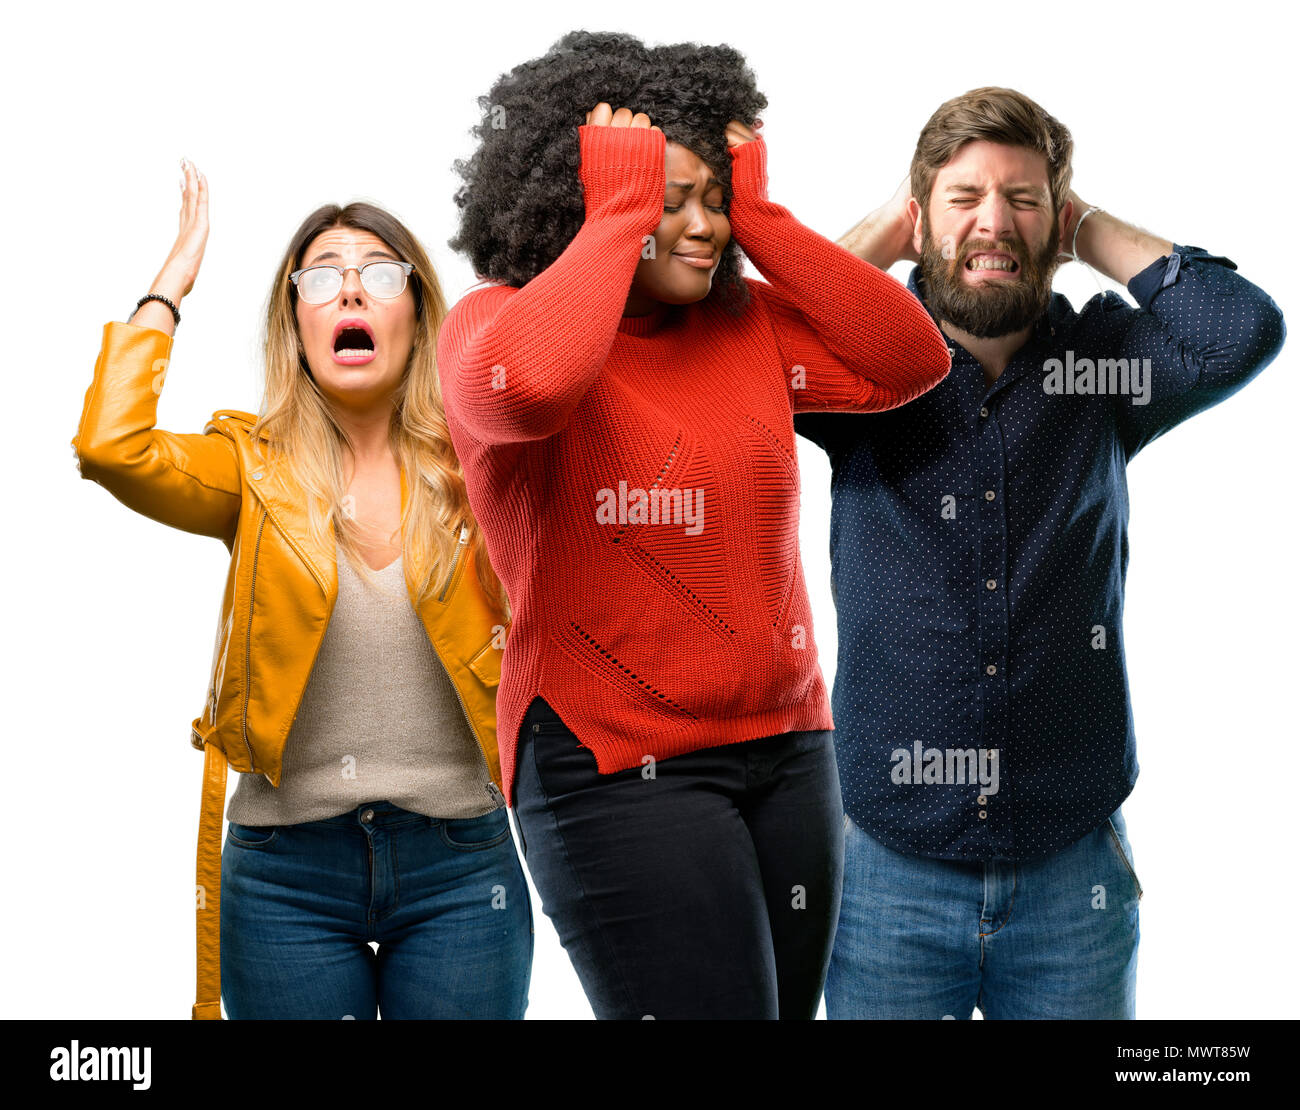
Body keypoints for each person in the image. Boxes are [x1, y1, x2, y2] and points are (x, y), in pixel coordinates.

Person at [437, 30, 951, 1019]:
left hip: (790, 748)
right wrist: (615, 213)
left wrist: (763, 214)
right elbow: (534, 393)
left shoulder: (743, 322)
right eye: (665, 199)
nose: (701, 225)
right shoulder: (491, 326)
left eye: (711, 196)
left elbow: (908, 359)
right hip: (614, 762)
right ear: (578, 197)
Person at [794, 86, 1286, 1019]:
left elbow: (1242, 328)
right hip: (888, 875)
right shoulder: (857, 372)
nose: (993, 223)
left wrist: (1090, 225)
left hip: (1072, 874)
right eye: (962, 199)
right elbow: (746, 349)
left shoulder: (1104, 366)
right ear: (918, 218)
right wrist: (875, 236)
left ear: (1053, 219)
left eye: (1022, 200)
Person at [72, 159, 532, 1019]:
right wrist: (168, 290)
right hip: (285, 876)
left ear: (417, 313)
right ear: (297, 320)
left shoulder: (482, 468)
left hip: (462, 867)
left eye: (379, 274)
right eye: (322, 277)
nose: (351, 292)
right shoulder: (251, 471)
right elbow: (111, 448)